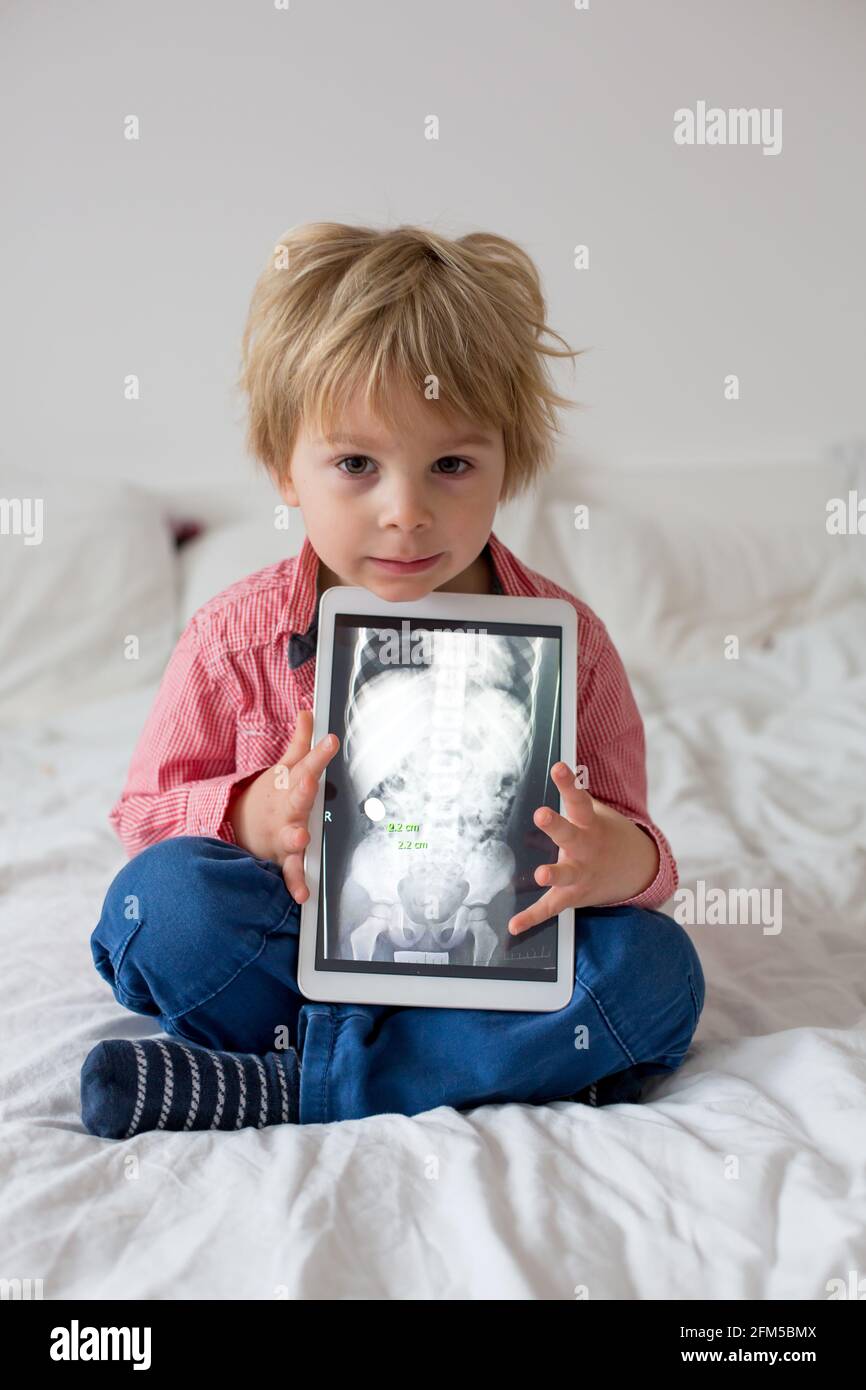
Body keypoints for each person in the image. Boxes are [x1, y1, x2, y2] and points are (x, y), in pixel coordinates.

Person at [80, 222, 705, 1137]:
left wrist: (618, 860)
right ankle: (450, 1071)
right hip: (291, 950)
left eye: (451, 464)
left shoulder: (573, 648)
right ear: (281, 469)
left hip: (498, 966)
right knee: (160, 908)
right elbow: (143, 815)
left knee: (655, 973)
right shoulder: (232, 637)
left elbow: (635, 839)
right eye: (355, 465)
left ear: (511, 461)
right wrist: (253, 814)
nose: (406, 512)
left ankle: (295, 1086)